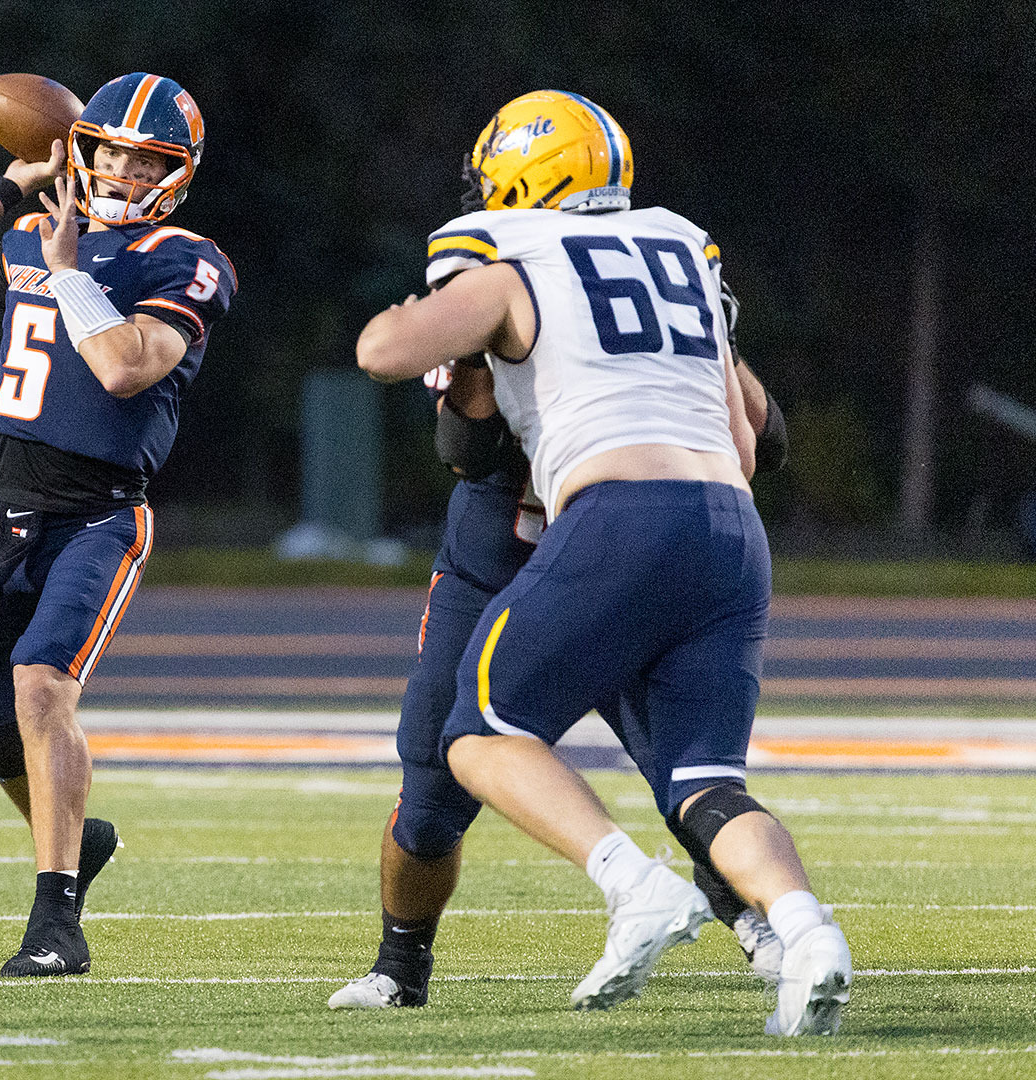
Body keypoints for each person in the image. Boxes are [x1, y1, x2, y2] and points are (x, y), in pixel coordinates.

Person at [354, 90, 850, 1036]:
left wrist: (424, 321)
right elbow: (752, 445)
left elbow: (384, 349)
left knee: (481, 733)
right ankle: (805, 928)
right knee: (703, 780)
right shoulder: (679, 246)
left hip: (608, 523)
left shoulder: (503, 258)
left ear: (519, 180)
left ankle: (643, 892)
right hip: (714, 528)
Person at [330, 316, 789, 1009]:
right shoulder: (497, 295)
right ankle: (400, 966)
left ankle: (771, 928)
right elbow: (467, 449)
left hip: (619, 567)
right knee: (430, 783)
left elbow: (767, 441)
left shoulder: (637, 304)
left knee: (689, 778)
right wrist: (476, 342)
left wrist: (717, 338)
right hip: (499, 564)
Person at [0, 73, 236, 977]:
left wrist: (68, 276)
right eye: (110, 150)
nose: (123, 169)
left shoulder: (184, 257)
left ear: (176, 173)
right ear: (82, 149)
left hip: (94, 511)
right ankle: (73, 840)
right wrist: (16, 177)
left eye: (145, 158)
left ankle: (56, 923)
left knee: (42, 687)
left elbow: (129, 368)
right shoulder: (32, 232)